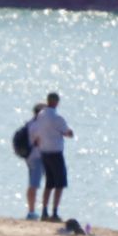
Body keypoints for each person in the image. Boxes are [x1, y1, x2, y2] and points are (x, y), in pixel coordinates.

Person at [29, 92, 75, 222]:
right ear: (56, 102)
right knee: (59, 184)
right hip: (55, 153)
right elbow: (68, 133)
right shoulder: (57, 118)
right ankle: (54, 212)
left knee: (49, 183)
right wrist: (70, 132)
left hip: (45, 152)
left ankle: (44, 211)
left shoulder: (41, 116)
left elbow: (37, 133)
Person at [21, 102, 47, 220]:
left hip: (31, 157)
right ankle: (31, 212)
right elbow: (40, 141)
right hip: (37, 157)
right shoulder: (37, 126)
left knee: (33, 184)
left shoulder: (30, 123)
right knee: (34, 185)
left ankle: (32, 211)